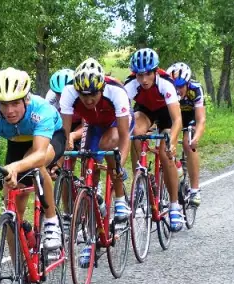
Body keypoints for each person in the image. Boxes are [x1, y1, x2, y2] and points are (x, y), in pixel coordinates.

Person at [0, 67, 66, 284]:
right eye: (3, 105)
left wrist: (15, 167)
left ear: (26, 98)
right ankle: (20, 273)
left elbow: (38, 154)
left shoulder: (42, 110)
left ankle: (51, 221)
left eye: (15, 104)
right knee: (11, 208)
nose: (9, 110)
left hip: (50, 139)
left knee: (37, 167)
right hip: (16, 143)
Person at [60, 58, 133, 267]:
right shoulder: (69, 93)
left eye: (93, 94)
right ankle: (92, 240)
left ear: (102, 88)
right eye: (84, 95)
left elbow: (124, 136)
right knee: (88, 175)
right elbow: (64, 135)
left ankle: (120, 201)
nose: (88, 99)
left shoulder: (116, 92)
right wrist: (64, 156)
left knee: (109, 146)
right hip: (93, 125)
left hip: (115, 125)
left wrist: (121, 163)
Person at [124, 48, 184, 232]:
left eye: (148, 74)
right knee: (134, 131)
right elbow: (123, 116)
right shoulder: (130, 85)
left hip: (166, 112)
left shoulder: (166, 84)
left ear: (155, 71)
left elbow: (177, 120)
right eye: (139, 75)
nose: (143, 79)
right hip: (146, 110)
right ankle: (139, 175)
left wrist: (172, 142)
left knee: (166, 155)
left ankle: (174, 206)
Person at [166, 62, 205, 206]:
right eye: (175, 87)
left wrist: (197, 137)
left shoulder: (195, 89)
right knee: (167, 144)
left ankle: (195, 190)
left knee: (188, 143)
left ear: (187, 83)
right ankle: (177, 167)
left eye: (181, 86)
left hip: (190, 118)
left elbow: (201, 119)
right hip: (174, 116)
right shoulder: (167, 91)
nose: (178, 90)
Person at [45, 68, 83, 174]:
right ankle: (66, 178)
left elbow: (87, 124)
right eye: (58, 94)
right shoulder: (50, 99)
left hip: (81, 124)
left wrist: (73, 135)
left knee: (83, 151)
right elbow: (47, 124)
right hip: (61, 123)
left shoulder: (83, 96)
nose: (62, 97)